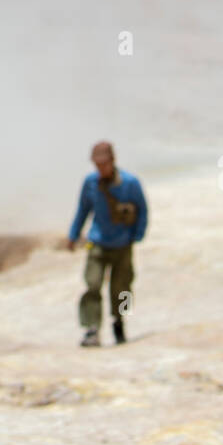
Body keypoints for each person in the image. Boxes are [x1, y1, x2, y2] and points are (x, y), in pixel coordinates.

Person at [67, 141, 148, 347]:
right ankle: (91, 329)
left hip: (123, 244)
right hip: (97, 243)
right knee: (92, 284)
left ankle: (120, 323)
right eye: (97, 164)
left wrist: (136, 236)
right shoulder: (91, 182)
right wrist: (73, 234)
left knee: (122, 289)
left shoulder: (130, 183)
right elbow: (83, 210)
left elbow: (142, 210)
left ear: (112, 161)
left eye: (103, 163)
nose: (100, 168)